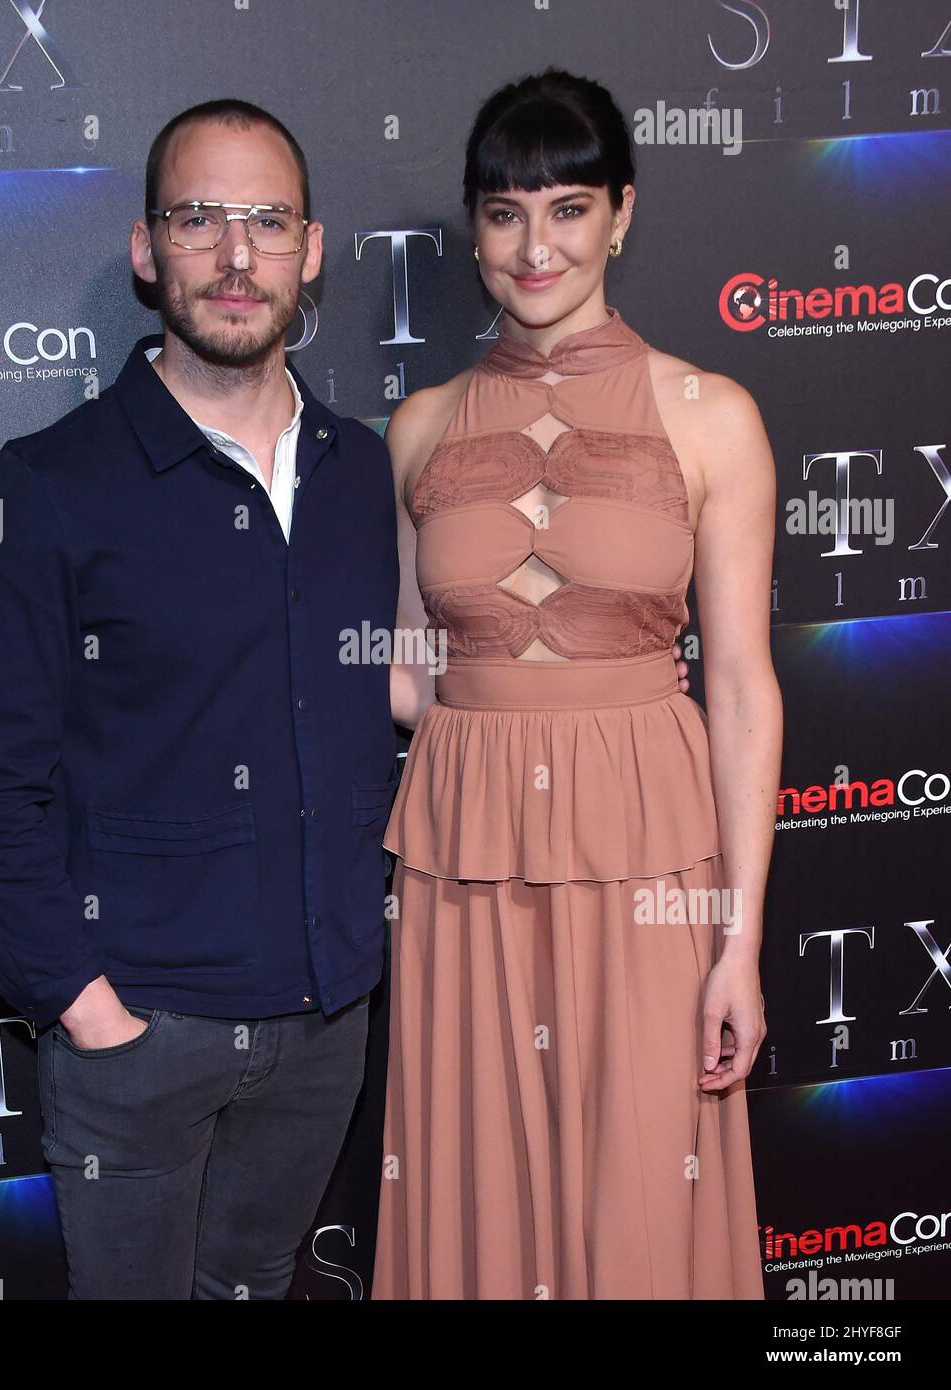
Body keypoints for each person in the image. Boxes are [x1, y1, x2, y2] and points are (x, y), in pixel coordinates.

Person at [0, 100, 400, 1300]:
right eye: (199, 218)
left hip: (323, 1023)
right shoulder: (48, 484)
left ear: (313, 249)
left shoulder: (363, 473)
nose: (236, 256)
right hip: (137, 1035)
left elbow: (379, 688)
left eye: (267, 220)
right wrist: (89, 1011)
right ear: (147, 249)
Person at [373, 69, 781, 1299]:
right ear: (478, 230)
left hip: (650, 863)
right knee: (474, 1183)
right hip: (465, 865)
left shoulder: (712, 416)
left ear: (622, 214)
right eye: (504, 213)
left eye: (565, 207)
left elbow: (747, 691)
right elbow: (407, 671)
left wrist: (740, 939)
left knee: (646, 1190)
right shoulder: (422, 426)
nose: (533, 244)